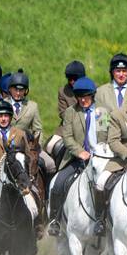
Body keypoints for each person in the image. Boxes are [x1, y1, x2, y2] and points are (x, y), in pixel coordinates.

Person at [48, 76, 107, 236]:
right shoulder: (70, 112)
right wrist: (80, 152)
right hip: (76, 159)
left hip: (99, 159)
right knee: (58, 183)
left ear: (92, 95)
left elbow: (104, 135)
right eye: (79, 97)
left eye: (86, 96)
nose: (82, 100)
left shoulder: (102, 113)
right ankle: (55, 219)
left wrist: (99, 153)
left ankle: (106, 221)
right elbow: (67, 137)